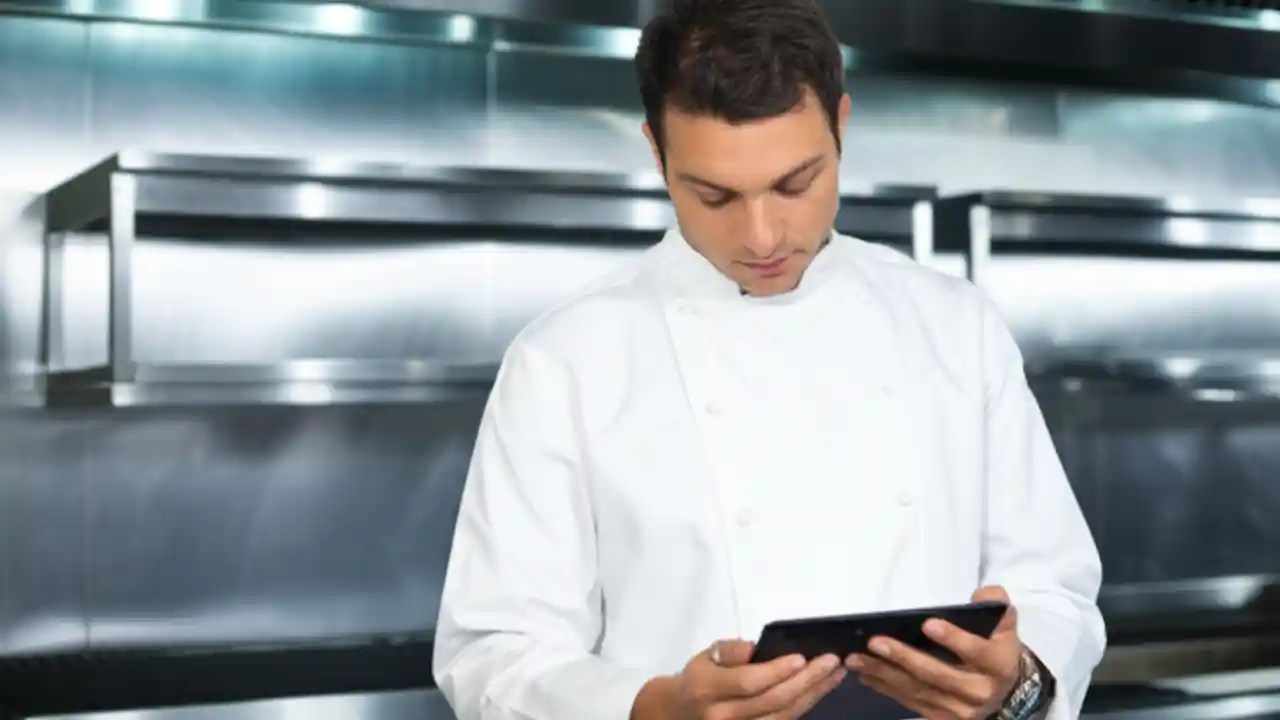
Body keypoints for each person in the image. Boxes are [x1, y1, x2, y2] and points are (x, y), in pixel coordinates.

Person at [432, 0, 1106, 718]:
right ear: (657, 155)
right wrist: (655, 709)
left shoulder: (953, 325)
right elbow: (493, 652)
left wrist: (1017, 678)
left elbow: (1052, 589)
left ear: (841, 127)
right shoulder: (563, 360)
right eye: (714, 194)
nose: (761, 235)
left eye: (795, 184)